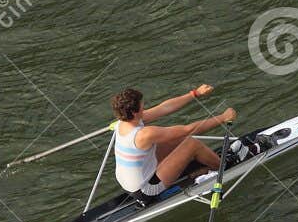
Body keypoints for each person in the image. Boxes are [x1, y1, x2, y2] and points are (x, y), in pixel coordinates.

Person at [110, 84, 261, 202]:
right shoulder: (144, 134)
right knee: (190, 143)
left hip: (130, 184)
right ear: (135, 112)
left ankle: (199, 164)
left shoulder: (122, 122)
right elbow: (189, 129)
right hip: (146, 189)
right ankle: (225, 164)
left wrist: (195, 94)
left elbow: (164, 108)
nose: (145, 106)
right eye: (142, 104)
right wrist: (223, 118)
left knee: (175, 140)